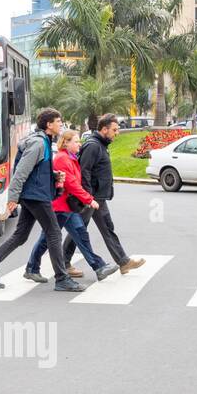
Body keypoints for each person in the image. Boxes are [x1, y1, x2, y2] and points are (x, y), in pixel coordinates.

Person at [0, 108, 78, 291]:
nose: (61, 124)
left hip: (34, 194)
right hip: (35, 196)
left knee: (20, 236)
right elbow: (21, 172)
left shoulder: (43, 142)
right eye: (58, 121)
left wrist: (54, 176)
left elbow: (36, 170)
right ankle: (62, 279)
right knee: (54, 233)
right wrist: (13, 198)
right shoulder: (38, 143)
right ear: (49, 125)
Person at [23, 129, 119, 283]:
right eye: (75, 141)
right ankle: (32, 268)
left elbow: (75, 182)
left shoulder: (70, 158)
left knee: (81, 235)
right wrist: (89, 199)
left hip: (68, 207)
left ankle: (99, 267)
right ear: (66, 143)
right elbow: (72, 184)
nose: (79, 144)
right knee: (46, 239)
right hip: (59, 206)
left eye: (79, 141)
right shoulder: (62, 159)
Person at [66, 113, 145, 274]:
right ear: (104, 129)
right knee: (79, 229)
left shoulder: (100, 145)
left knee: (97, 228)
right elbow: (84, 171)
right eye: (114, 130)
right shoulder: (93, 146)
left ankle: (123, 262)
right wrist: (87, 197)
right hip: (91, 198)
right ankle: (63, 262)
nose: (117, 133)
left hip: (98, 197)